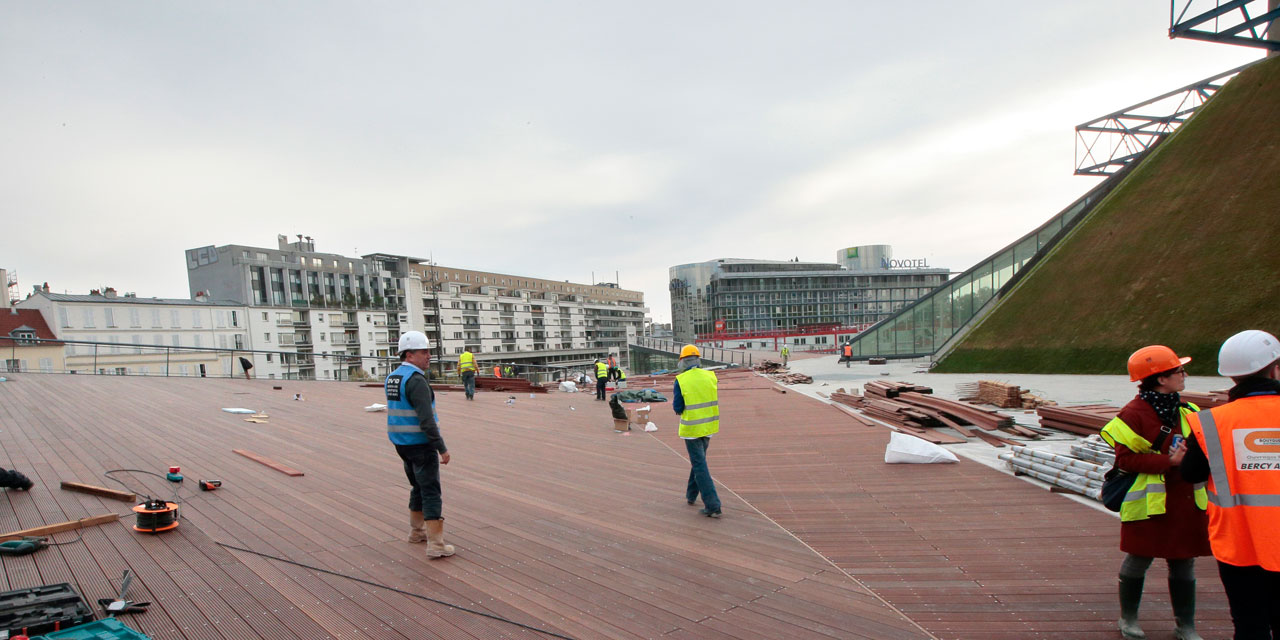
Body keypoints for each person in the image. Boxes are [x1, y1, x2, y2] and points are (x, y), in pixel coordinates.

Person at [1100, 345, 1209, 640]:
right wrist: (1167, 462)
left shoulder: (1188, 410)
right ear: (1161, 379)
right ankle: (1129, 619)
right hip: (1148, 501)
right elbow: (1124, 460)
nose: (1184, 375)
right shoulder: (1133, 414)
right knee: (1139, 558)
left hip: (1183, 498)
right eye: (1179, 371)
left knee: (1184, 561)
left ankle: (1185, 625)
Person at [1183, 330, 1280, 640]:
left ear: (1232, 377)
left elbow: (1191, 473)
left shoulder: (1210, 422)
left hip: (1239, 544)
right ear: (1274, 368)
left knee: (1249, 625)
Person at [385, 331, 454, 558]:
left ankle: (416, 532)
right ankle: (436, 544)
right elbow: (427, 420)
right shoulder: (417, 381)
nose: (429, 356)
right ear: (410, 354)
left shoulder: (393, 377)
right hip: (420, 444)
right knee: (431, 490)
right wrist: (441, 447)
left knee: (417, 485)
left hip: (401, 444)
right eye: (424, 352)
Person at [672, 344, 722, 518]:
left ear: (683, 361)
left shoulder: (681, 380)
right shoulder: (711, 376)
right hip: (708, 426)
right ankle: (691, 495)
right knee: (699, 461)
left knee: (700, 465)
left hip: (692, 429)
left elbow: (678, 407)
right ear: (698, 359)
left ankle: (713, 505)